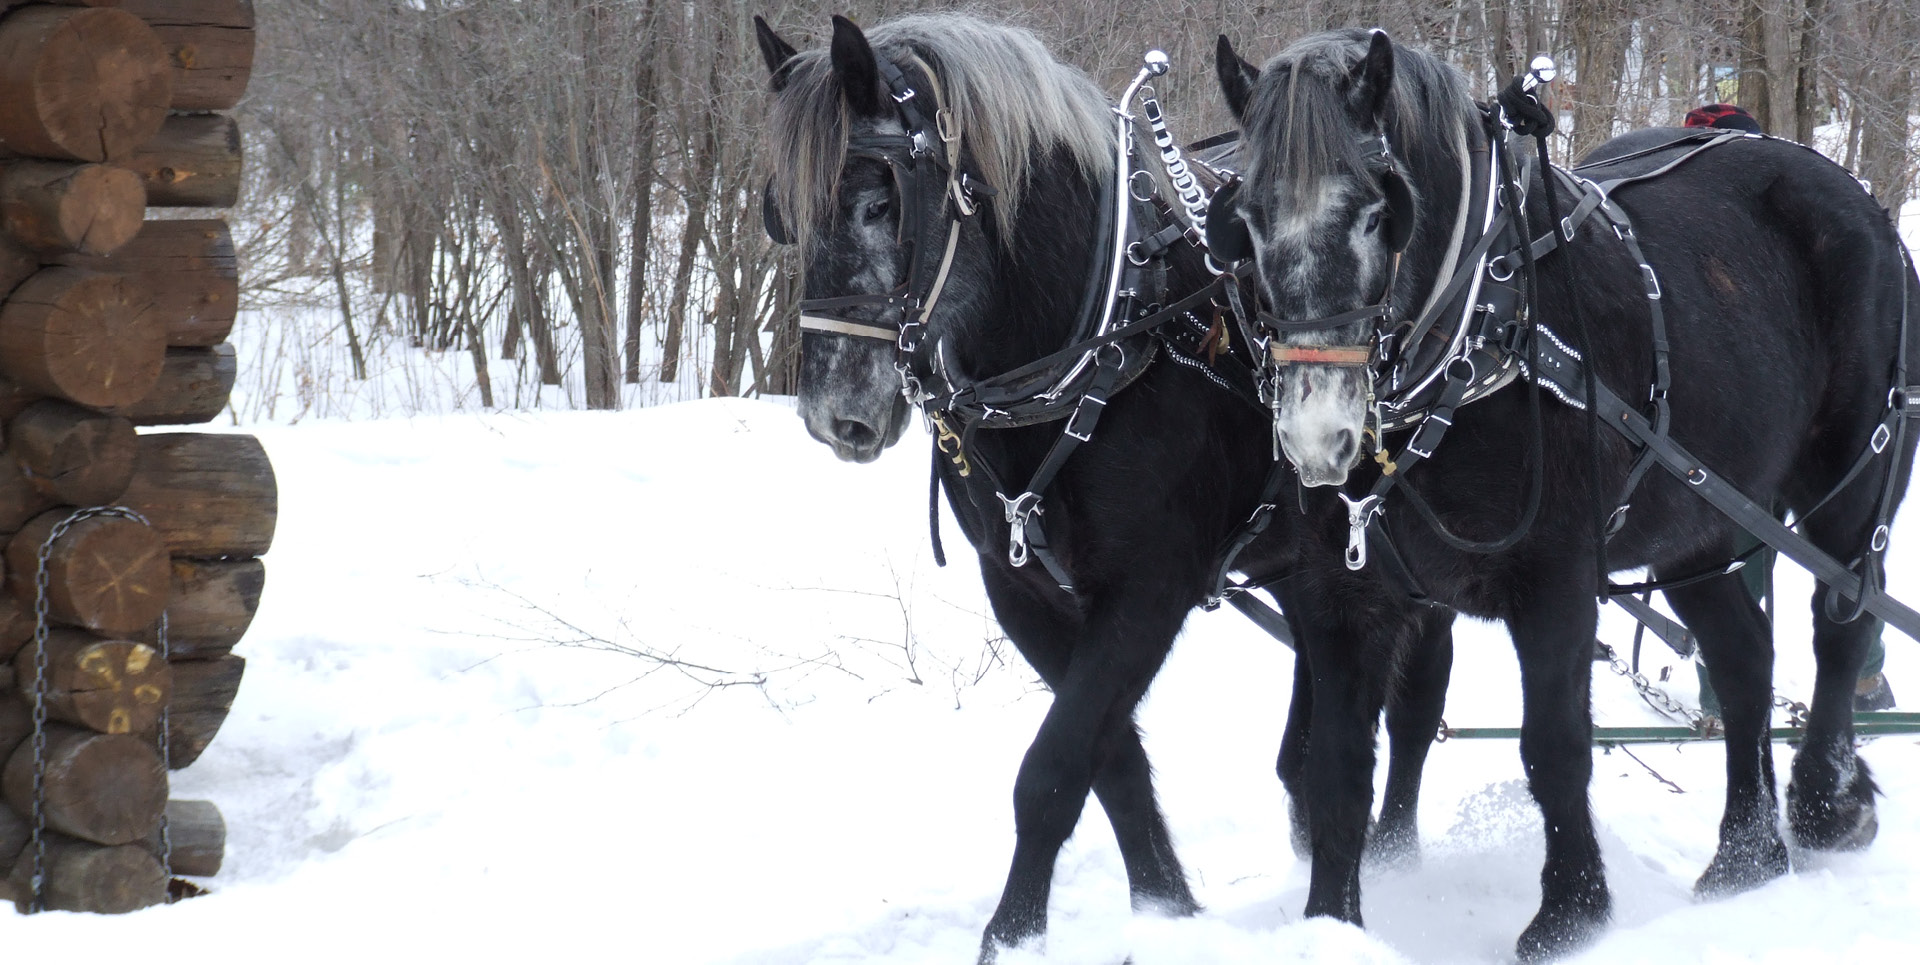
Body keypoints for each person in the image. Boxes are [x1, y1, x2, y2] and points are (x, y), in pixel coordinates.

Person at [1680, 102, 1897, 714]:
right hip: (1799, 404)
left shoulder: (1698, 219)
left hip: (1753, 410)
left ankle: (1724, 690)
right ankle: (1861, 675)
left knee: (1738, 544)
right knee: (1843, 548)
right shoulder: (1787, 207)